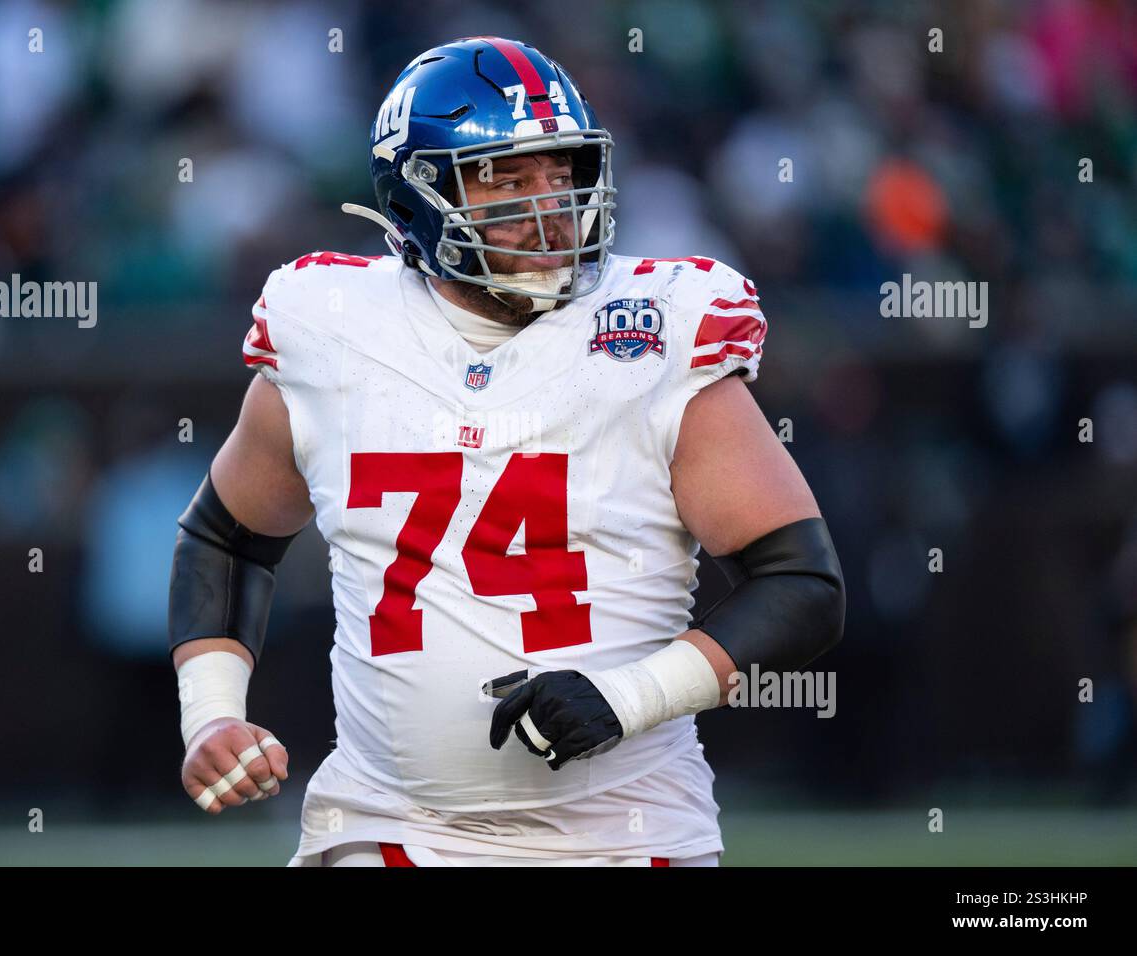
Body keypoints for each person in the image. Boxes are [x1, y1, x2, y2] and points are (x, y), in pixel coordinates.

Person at [167, 36, 845, 866]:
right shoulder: (332, 327)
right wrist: (213, 713)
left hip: (627, 835)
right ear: (420, 194)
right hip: (388, 827)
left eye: (561, 172)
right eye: (507, 178)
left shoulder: (654, 331)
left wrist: (631, 695)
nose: (548, 203)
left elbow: (802, 585)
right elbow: (226, 538)